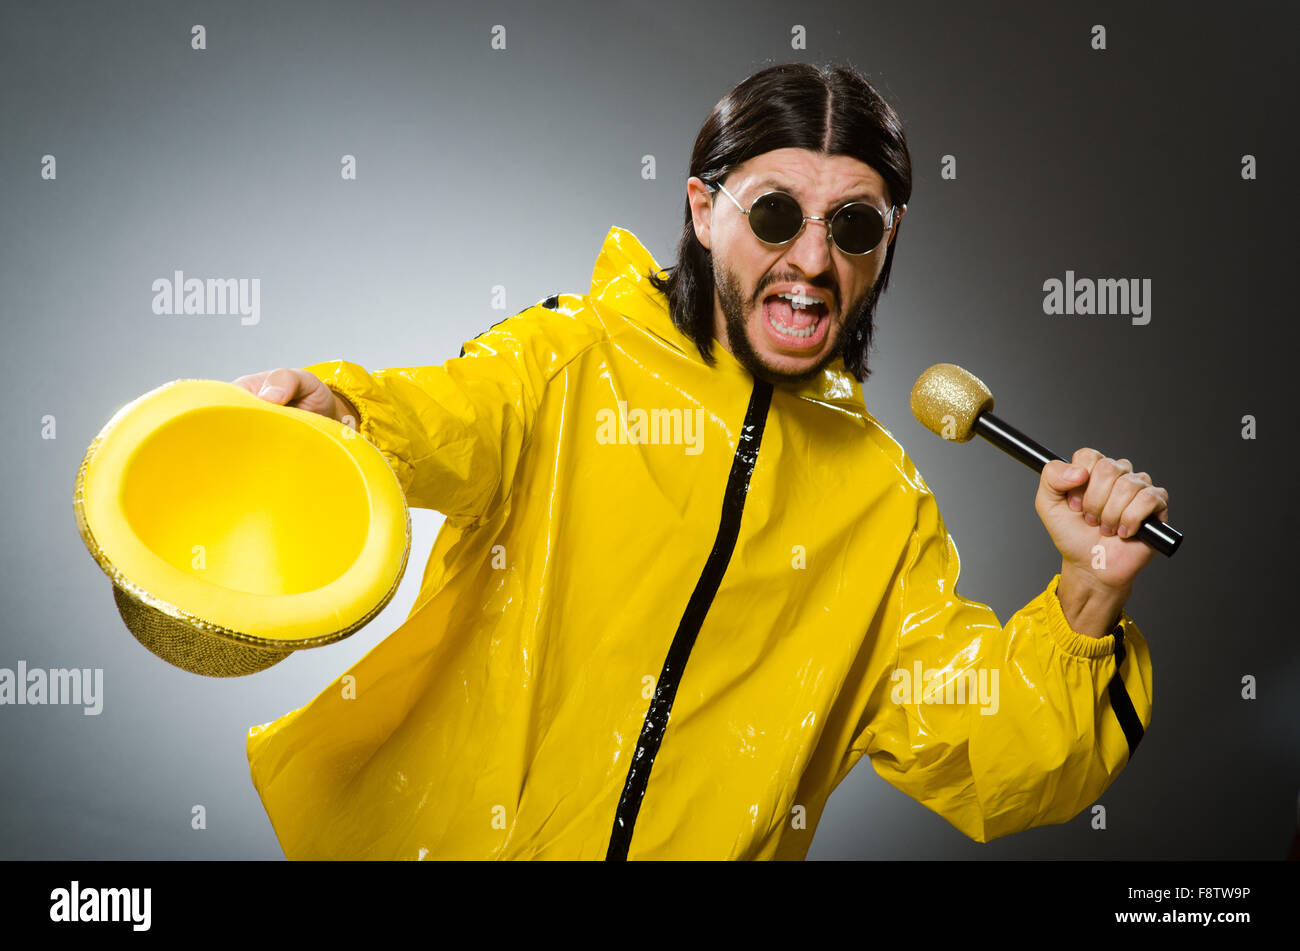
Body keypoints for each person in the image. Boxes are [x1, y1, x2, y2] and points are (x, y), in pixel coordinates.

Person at [235, 62, 1169, 860]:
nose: (811, 258)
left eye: (853, 227)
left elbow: (977, 748)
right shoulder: (574, 361)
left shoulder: (883, 508)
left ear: (885, 247)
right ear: (702, 208)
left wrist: (1087, 598)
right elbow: (447, 416)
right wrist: (343, 414)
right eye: (774, 213)